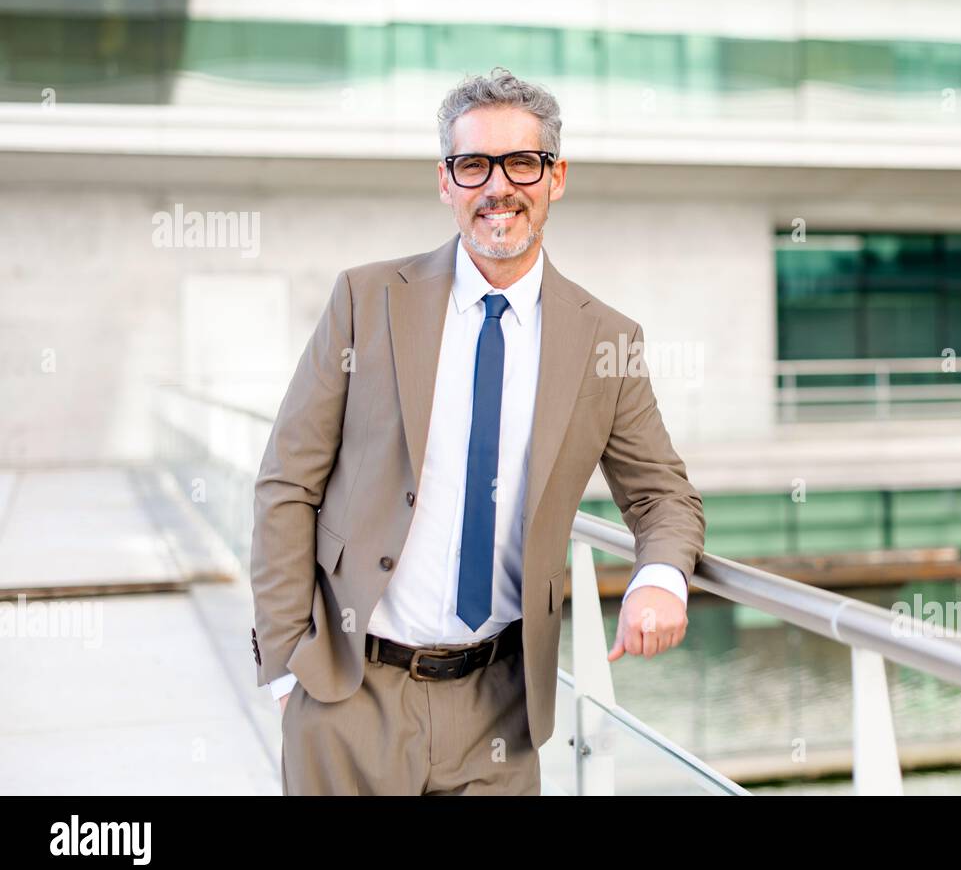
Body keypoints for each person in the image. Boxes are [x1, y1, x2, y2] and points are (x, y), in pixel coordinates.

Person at [249, 67, 706, 795]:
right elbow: (286, 484)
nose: (499, 188)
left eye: (522, 162)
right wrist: (283, 666)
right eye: (474, 165)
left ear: (555, 178)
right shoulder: (366, 301)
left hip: (500, 709)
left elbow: (662, 497)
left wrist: (659, 581)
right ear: (446, 181)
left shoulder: (604, 341)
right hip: (347, 694)